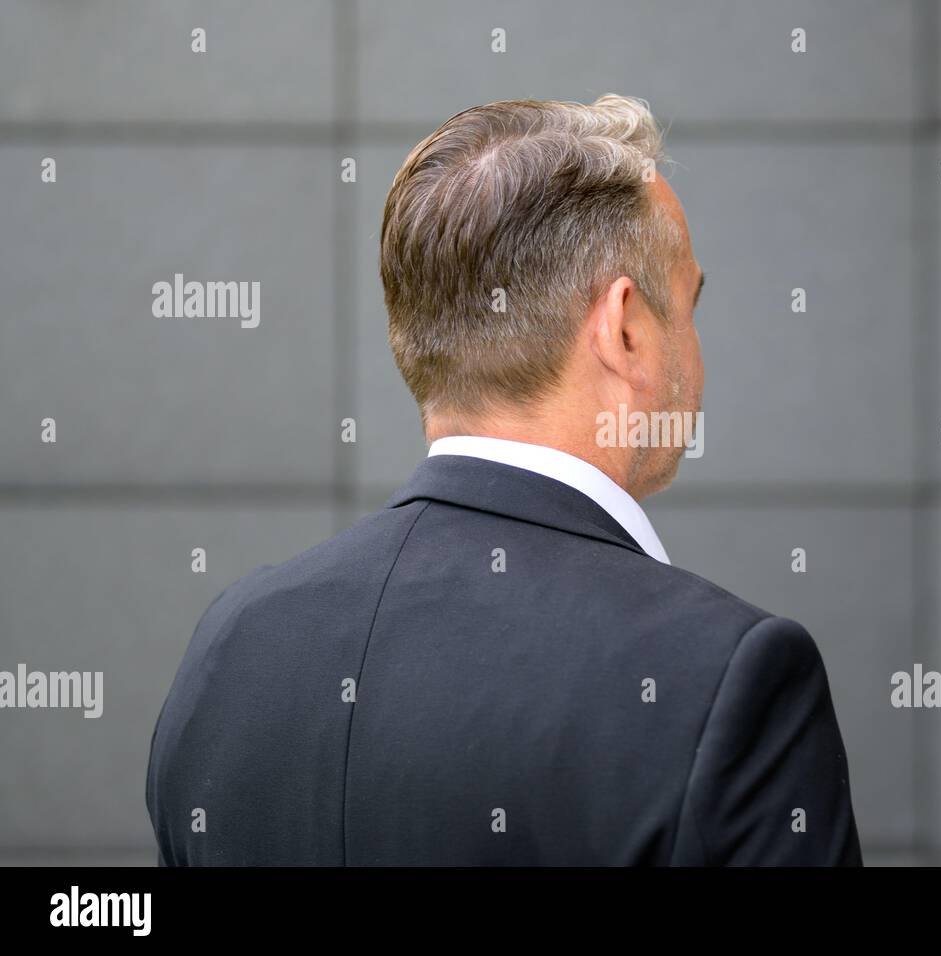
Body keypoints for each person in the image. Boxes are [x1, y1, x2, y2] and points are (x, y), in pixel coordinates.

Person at [146, 94, 861, 866]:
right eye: (688, 306)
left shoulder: (232, 645)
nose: (695, 348)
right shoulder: (726, 680)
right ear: (624, 329)